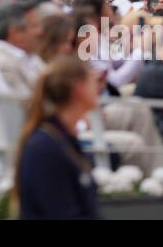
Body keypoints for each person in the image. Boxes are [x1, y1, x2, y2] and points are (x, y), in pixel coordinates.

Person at [15, 55, 102, 219]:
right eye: (93, 80)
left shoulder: (65, 141)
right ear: (79, 88)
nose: (98, 87)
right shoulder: (44, 148)